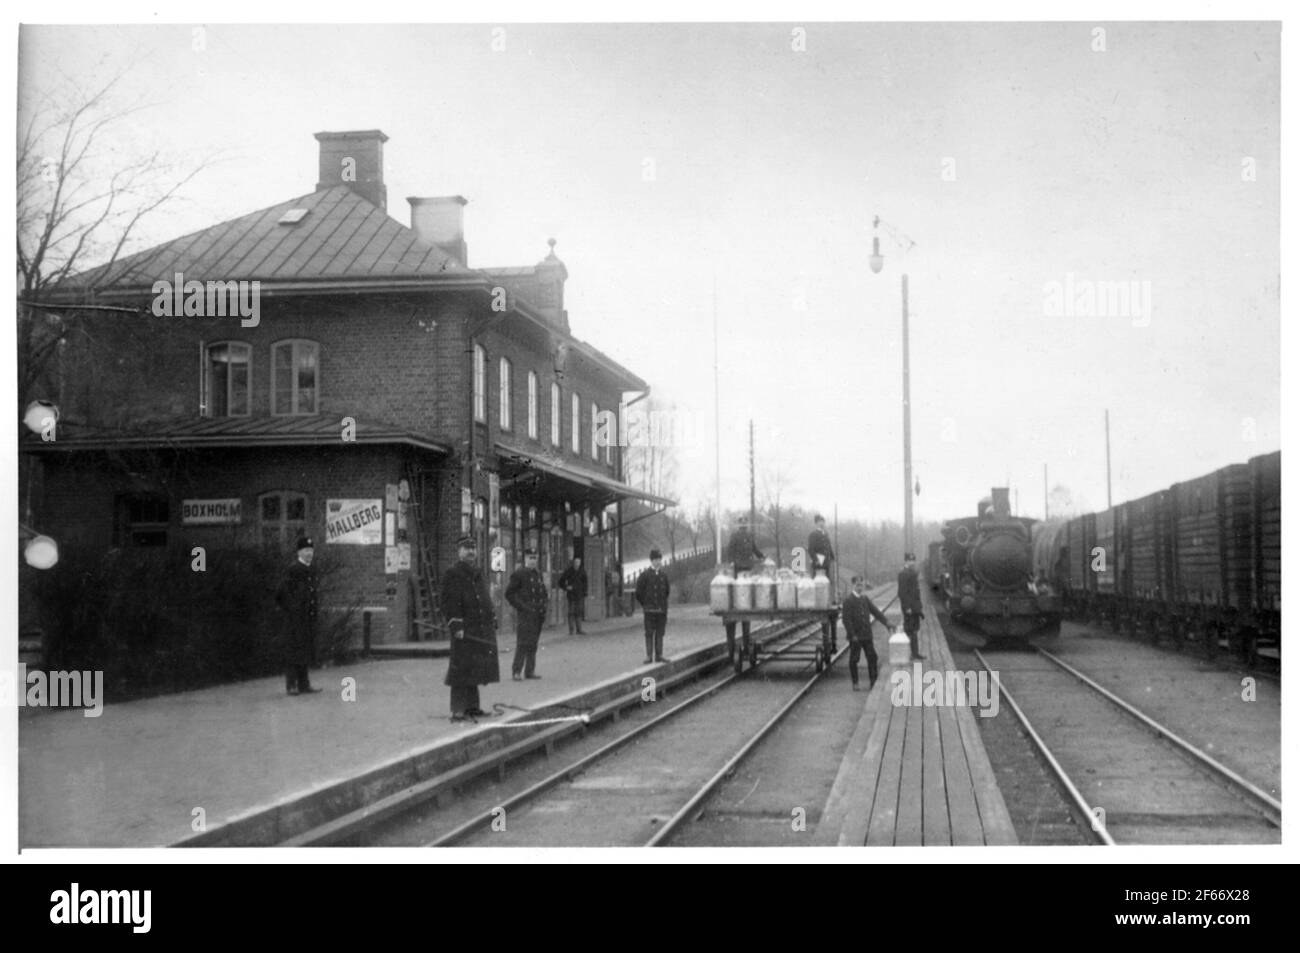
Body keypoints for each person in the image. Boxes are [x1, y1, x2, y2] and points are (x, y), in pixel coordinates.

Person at [442, 535, 499, 720]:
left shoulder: (477, 572)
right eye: (466, 548)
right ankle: (458, 709)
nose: (471, 552)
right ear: (459, 551)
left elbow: (484, 596)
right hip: (464, 630)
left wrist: (492, 616)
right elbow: (449, 602)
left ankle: (473, 707)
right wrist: (456, 624)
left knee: (474, 668)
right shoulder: (453, 573)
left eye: (473, 548)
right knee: (460, 669)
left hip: (478, 628)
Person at [276, 536, 322, 695]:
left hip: (307, 618)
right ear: (299, 552)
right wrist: (292, 610)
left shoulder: (311, 569)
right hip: (295, 619)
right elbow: (282, 593)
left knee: (304, 650)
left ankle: (304, 684)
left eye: (311, 550)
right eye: (306, 550)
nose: (309, 554)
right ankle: (292, 685)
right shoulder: (293, 570)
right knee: (293, 651)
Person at [842, 575, 892, 690]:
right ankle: (855, 683)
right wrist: (852, 634)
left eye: (861, 585)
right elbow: (846, 620)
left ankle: (873, 681)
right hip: (855, 636)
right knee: (854, 659)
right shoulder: (848, 601)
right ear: (852, 585)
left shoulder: (865, 599)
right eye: (857, 585)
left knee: (872, 657)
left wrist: (887, 623)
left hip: (866, 635)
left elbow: (876, 612)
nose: (860, 587)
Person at [505, 547, 548, 680]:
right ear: (525, 559)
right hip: (526, 614)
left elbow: (542, 593)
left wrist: (544, 606)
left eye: (535, 558)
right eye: (530, 558)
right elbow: (509, 593)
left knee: (533, 643)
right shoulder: (519, 574)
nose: (532, 561)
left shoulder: (538, 574)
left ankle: (530, 671)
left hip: (537, 614)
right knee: (522, 643)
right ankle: (516, 671)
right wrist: (521, 607)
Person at [635, 549, 671, 664]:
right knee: (649, 633)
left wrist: (662, 605)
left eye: (659, 559)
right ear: (651, 561)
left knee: (660, 633)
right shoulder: (645, 575)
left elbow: (667, 592)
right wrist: (645, 604)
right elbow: (638, 592)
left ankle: (659, 655)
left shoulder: (664, 576)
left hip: (661, 610)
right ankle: (649, 656)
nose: (657, 562)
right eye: (655, 560)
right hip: (649, 610)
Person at [898, 552, 925, 661]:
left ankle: (915, 653)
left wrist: (919, 607)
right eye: (910, 560)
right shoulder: (903, 574)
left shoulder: (912, 572)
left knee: (914, 630)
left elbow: (916, 591)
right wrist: (907, 607)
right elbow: (902, 592)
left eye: (913, 560)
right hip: (909, 607)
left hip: (915, 607)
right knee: (909, 630)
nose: (912, 562)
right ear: (906, 561)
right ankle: (908, 653)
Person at [808, 513, 836, 598]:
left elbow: (828, 546)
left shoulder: (825, 534)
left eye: (823, 521)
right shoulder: (813, 534)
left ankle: (827, 599)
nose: (822, 523)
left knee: (827, 582)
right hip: (818, 562)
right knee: (818, 583)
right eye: (820, 521)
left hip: (827, 561)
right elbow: (811, 549)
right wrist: (816, 560)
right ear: (816, 523)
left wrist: (832, 557)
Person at [558, 556, 588, 634]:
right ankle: (571, 630)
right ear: (573, 563)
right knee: (571, 612)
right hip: (571, 595)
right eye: (575, 563)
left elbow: (585, 583)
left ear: (580, 563)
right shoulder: (569, 571)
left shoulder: (582, 571)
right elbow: (561, 581)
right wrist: (566, 587)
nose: (577, 564)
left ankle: (579, 629)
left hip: (579, 595)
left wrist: (585, 593)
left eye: (578, 563)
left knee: (578, 612)